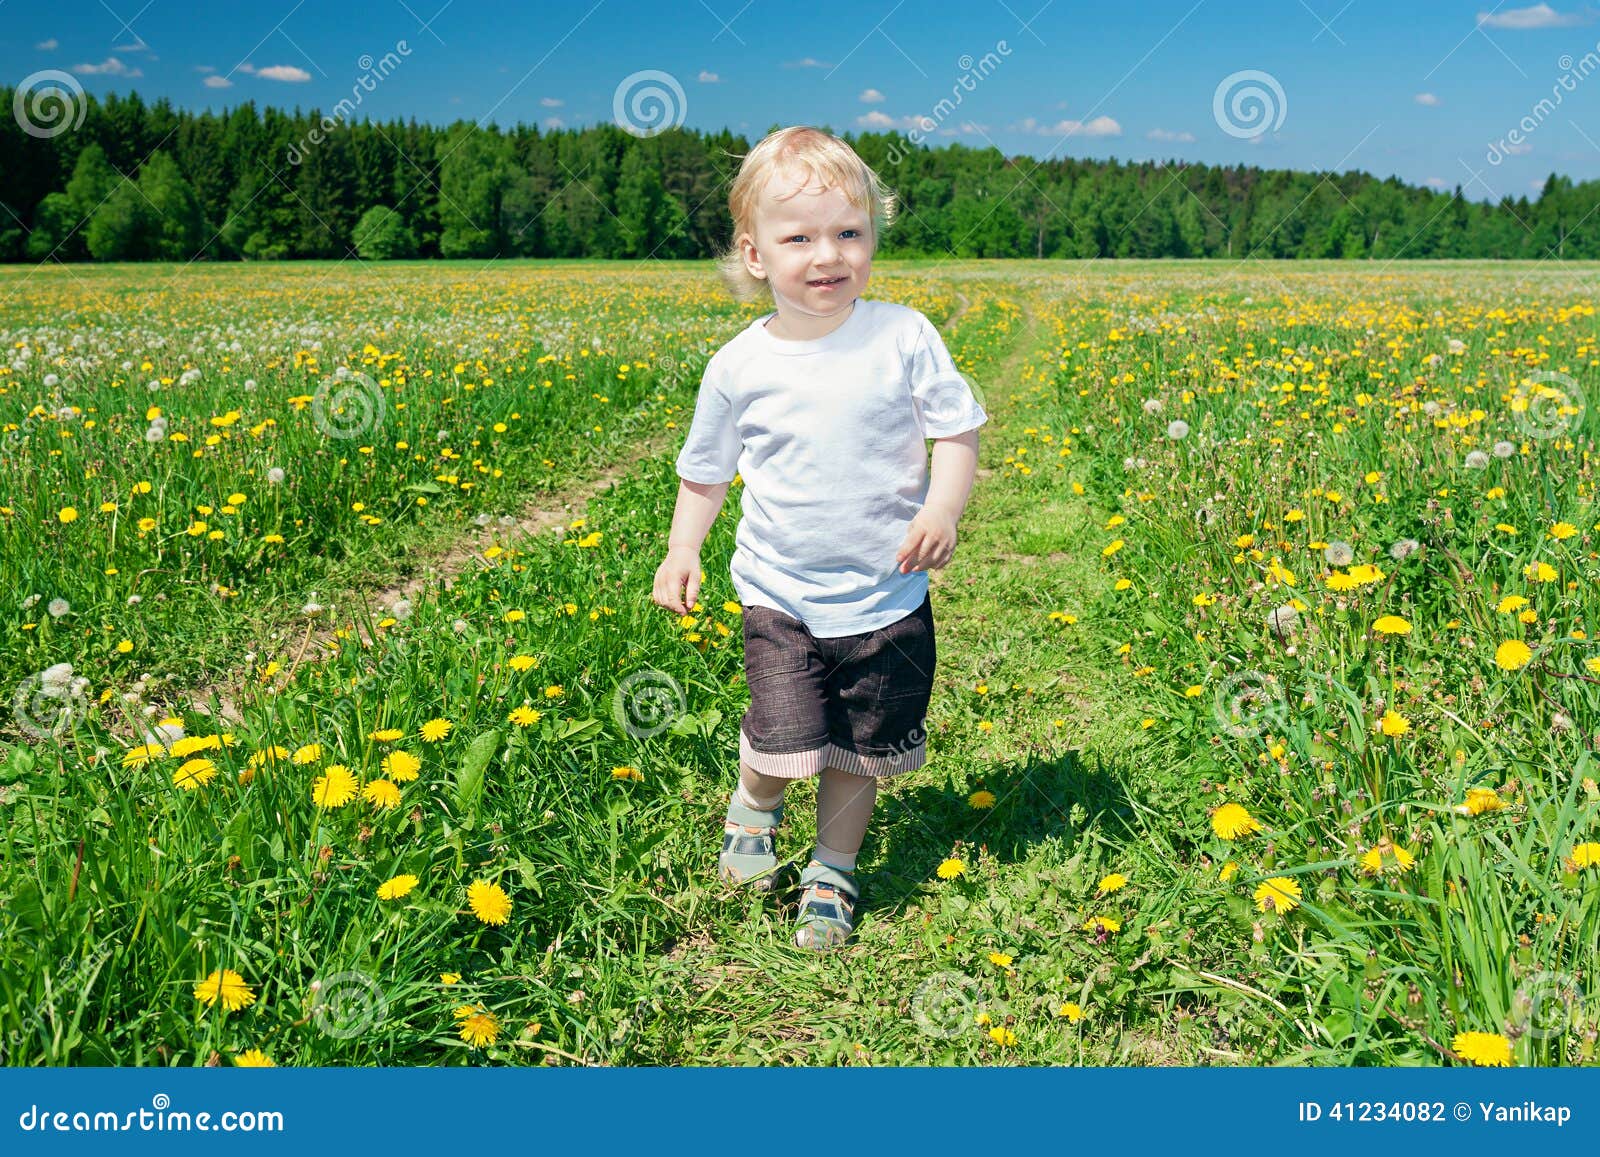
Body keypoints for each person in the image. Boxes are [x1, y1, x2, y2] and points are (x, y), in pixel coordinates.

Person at [651, 125, 986, 951]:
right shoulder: (738, 365)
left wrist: (942, 509)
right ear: (756, 253)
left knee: (859, 751)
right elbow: (707, 472)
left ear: (872, 238)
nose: (827, 254)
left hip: (887, 597)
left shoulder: (904, 336)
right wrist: (682, 549)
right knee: (782, 736)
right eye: (799, 236)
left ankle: (832, 870)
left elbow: (957, 434)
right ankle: (754, 806)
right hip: (781, 595)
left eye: (849, 232)